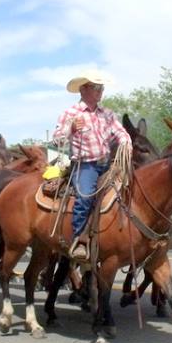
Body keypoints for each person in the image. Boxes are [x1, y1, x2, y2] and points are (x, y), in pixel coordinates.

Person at [51, 69, 132, 261]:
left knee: (129, 190)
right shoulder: (71, 113)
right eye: (97, 88)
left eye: (101, 88)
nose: (101, 91)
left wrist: (125, 142)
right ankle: (79, 239)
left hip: (107, 164)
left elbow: (119, 132)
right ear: (84, 89)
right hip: (85, 166)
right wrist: (70, 129)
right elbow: (57, 140)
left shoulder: (107, 114)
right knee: (85, 197)